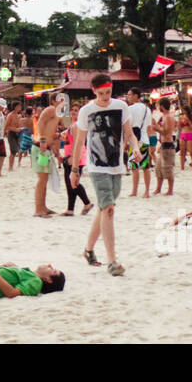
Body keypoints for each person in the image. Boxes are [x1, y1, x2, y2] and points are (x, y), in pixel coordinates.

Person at [73, 73, 140, 276]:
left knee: (103, 209)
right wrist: (75, 169)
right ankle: (113, 261)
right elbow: (79, 141)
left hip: (116, 166)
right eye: (101, 93)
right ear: (94, 91)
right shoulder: (87, 111)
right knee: (109, 209)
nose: (105, 96)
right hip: (96, 166)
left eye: (108, 92)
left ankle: (88, 249)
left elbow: (128, 133)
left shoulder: (121, 107)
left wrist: (135, 148)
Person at [32, 93, 59, 217]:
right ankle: (38, 209)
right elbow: (40, 123)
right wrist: (43, 140)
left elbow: (47, 127)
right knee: (42, 179)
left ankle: (43, 206)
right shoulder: (51, 109)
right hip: (41, 148)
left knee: (45, 178)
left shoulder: (55, 111)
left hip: (45, 149)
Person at [124, 89, 153, 198]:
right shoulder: (147, 109)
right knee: (145, 167)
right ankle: (146, 191)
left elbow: (127, 127)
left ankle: (134, 191)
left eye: (130, 94)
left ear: (136, 96)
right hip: (145, 139)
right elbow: (149, 127)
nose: (128, 96)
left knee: (134, 167)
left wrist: (125, 141)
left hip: (134, 141)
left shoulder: (129, 109)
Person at [152, 98, 177, 196]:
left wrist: (156, 128)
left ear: (162, 106)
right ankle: (158, 188)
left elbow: (166, 132)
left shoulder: (168, 117)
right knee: (158, 169)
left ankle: (170, 190)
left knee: (167, 169)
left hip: (168, 145)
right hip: (164, 144)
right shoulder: (165, 116)